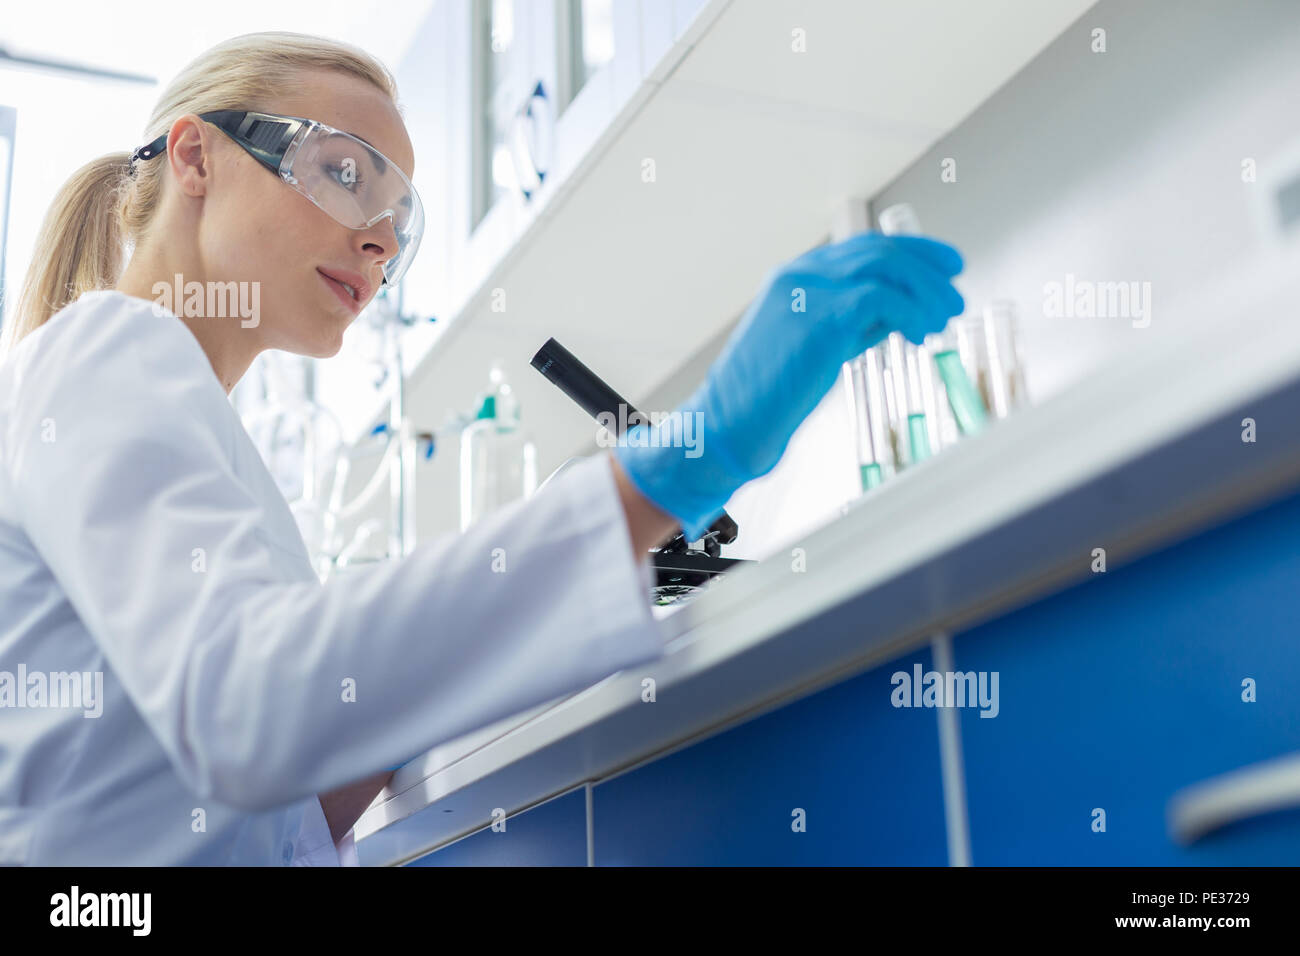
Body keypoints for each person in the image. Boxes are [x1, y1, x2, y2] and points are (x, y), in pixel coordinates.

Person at [0, 31, 964, 866]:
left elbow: (277, 805)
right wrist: (668, 474)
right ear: (196, 158)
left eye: (398, 217)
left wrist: (491, 643)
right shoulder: (108, 348)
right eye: (345, 174)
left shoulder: (198, 434)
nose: (379, 239)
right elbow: (246, 707)